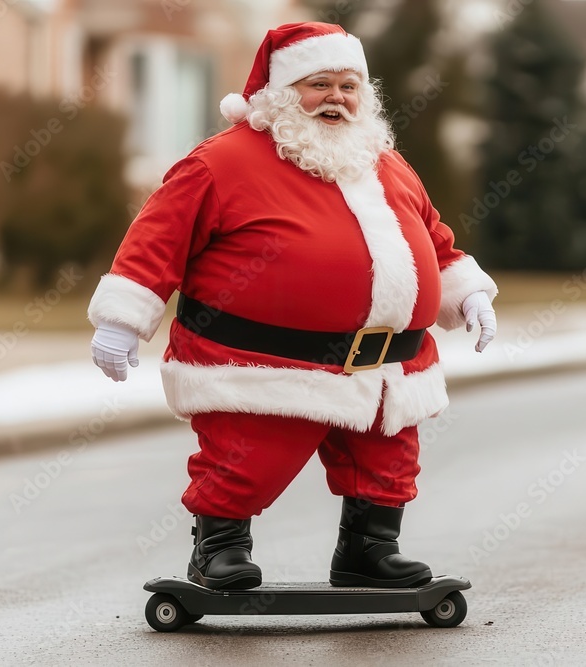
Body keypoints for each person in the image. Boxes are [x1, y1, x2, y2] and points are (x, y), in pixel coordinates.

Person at [87, 22, 497, 591]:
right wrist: (122, 319)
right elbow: (158, 238)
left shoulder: (386, 164)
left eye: (349, 86)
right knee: (245, 461)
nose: (336, 98)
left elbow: (434, 239)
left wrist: (468, 292)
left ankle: (369, 550)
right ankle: (219, 548)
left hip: (385, 369)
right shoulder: (221, 162)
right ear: (281, 93)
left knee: (385, 466)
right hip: (260, 364)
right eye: (319, 83)